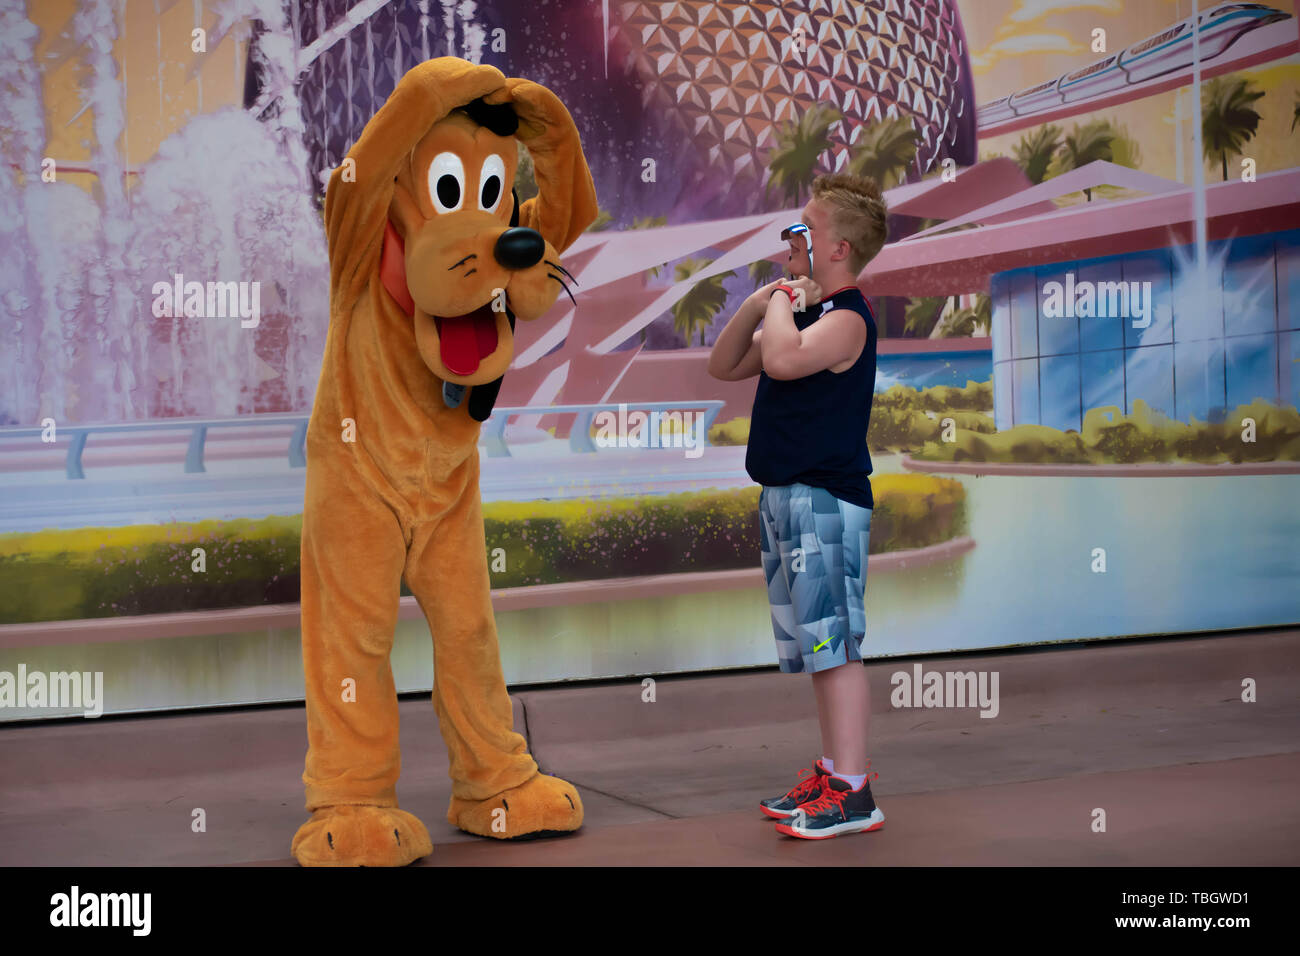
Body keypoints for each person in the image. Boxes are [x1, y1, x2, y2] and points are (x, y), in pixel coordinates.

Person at [707, 172, 888, 840]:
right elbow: (726, 365)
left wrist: (780, 302)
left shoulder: (846, 321)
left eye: (802, 231)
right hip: (786, 498)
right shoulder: (801, 315)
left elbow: (781, 363)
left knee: (835, 648)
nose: (789, 239)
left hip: (825, 502)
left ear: (836, 249)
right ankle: (835, 770)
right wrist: (763, 300)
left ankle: (854, 789)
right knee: (819, 647)